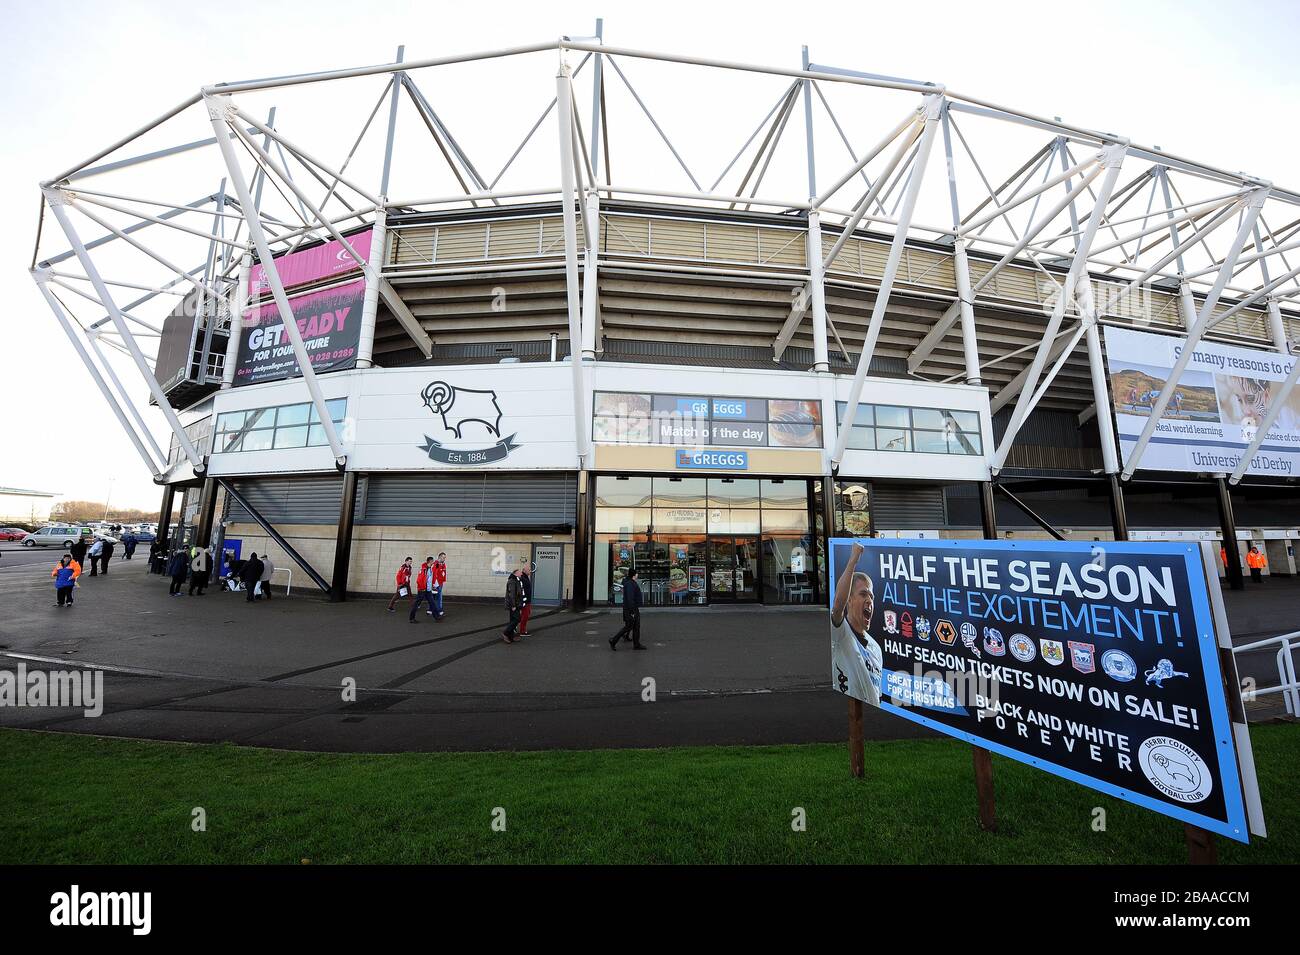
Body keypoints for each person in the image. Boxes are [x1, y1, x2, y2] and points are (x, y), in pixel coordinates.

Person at [830, 541, 882, 706]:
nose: (869, 601)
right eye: (863, 594)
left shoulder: (876, 648)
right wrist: (853, 560)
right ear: (850, 600)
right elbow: (837, 606)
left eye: (871, 597)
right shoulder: (841, 632)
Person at [609, 568, 645, 650]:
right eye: (636, 573)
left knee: (635, 626)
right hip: (631, 609)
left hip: (631, 608)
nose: (637, 575)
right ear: (634, 575)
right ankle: (613, 640)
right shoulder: (630, 584)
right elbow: (630, 598)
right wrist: (632, 611)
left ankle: (636, 644)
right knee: (629, 626)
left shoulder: (630, 582)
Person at [409, 557, 437, 622]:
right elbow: (419, 580)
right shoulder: (424, 570)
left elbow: (429, 580)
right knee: (417, 604)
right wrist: (422, 588)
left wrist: (432, 586)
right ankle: (411, 618)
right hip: (422, 590)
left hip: (428, 590)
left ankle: (437, 617)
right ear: (430, 561)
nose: (433, 562)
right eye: (433, 561)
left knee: (432, 603)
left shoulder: (430, 569)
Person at [503, 567, 525, 643]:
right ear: (515, 573)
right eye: (520, 572)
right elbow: (511, 594)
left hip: (517, 604)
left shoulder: (516, 580)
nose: (521, 573)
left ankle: (510, 636)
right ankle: (506, 633)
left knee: (513, 619)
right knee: (517, 619)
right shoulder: (512, 581)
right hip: (514, 605)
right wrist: (513, 605)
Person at [428, 551, 448, 619]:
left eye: (445, 557)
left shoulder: (443, 564)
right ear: (439, 557)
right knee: (439, 597)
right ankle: (440, 611)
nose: (444, 559)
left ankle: (430, 610)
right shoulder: (436, 564)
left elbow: (443, 573)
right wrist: (433, 584)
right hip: (436, 584)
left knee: (433, 597)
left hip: (440, 582)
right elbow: (433, 574)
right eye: (443, 557)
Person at [518, 563, 534, 636]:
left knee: (525, 615)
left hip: (527, 600)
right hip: (525, 601)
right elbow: (521, 590)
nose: (530, 571)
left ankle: (516, 627)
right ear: (524, 570)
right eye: (529, 570)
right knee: (525, 615)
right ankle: (522, 631)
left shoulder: (525, 577)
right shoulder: (523, 578)